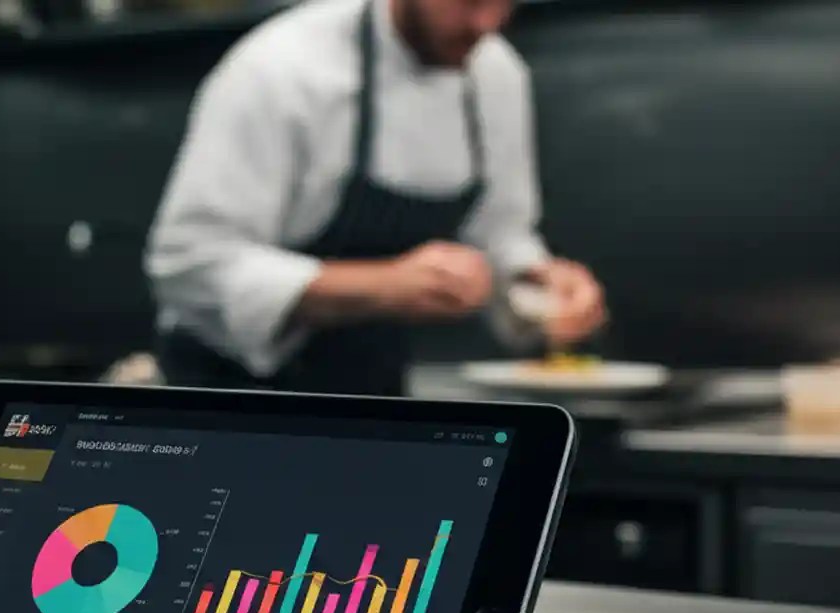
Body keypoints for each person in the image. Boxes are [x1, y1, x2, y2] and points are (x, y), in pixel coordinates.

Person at [144, 0, 606, 396]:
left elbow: (500, 235)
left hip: (373, 394)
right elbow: (188, 261)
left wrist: (536, 283)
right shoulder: (281, 68)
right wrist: (382, 286)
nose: (485, 23)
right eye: (467, 1)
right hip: (231, 393)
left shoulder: (496, 74)